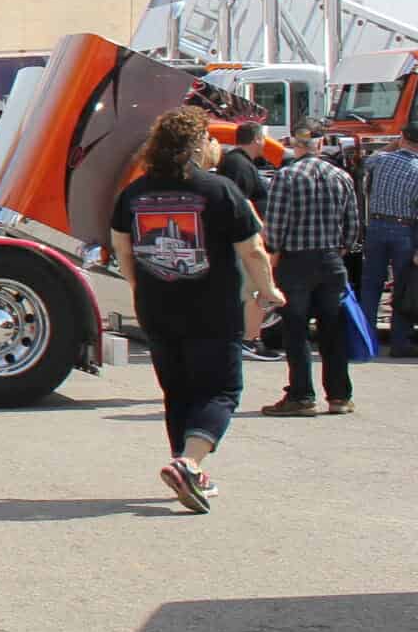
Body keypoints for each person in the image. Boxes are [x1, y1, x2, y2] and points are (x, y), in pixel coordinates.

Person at [108, 106, 283, 513]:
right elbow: (253, 250)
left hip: (156, 306)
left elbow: (121, 248)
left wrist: (139, 287)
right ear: (195, 145)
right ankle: (189, 462)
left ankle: (186, 468)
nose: (214, 145)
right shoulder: (219, 191)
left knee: (179, 391)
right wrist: (269, 290)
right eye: (208, 138)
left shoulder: (133, 194)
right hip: (211, 308)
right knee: (222, 389)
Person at [259, 122, 360, 415]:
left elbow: (275, 228)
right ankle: (339, 396)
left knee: (295, 329)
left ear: (295, 143)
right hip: (330, 260)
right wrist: (337, 250)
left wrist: (273, 256)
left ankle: (301, 396)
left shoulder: (286, 176)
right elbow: (353, 228)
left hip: (295, 262)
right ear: (321, 143)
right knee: (331, 329)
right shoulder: (341, 176)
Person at [359, 122, 418, 359]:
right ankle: (399, 343)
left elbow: (366, 161)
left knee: (371, 285)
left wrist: (395, 143)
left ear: (403, 137)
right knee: (402, 287)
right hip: (404, 229)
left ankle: (364, 339)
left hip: (376, 226)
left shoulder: (382, 160)